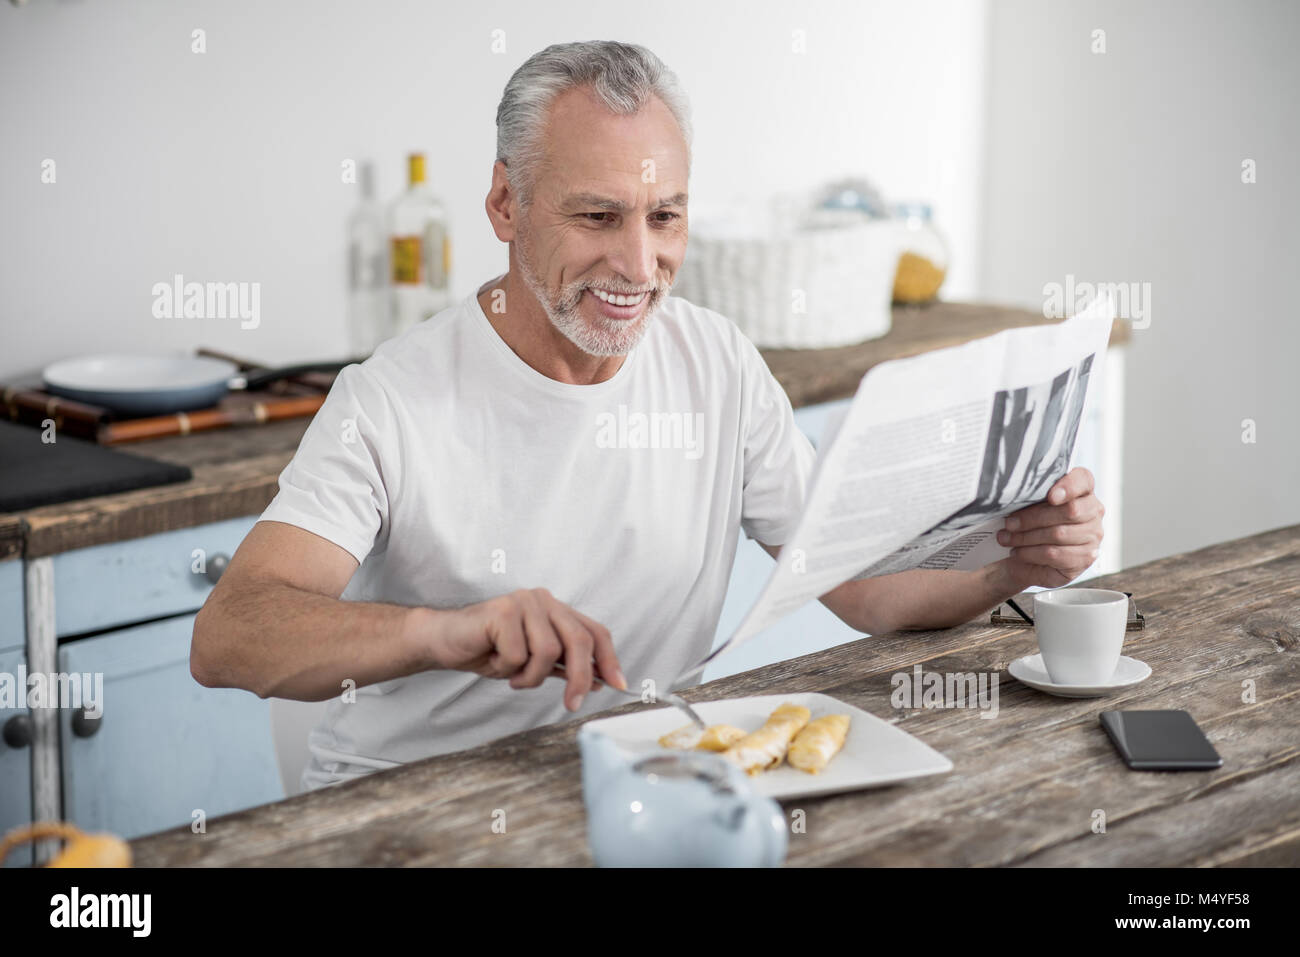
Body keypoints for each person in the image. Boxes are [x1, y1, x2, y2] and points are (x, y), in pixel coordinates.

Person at [190, 40, 1105, 791]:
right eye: (597, 216)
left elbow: (865, 588)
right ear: (506, 203)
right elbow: (229, 635)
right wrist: (445, 631)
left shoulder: (717, 363)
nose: (638, 264)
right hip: (417, 803)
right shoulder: (390, 398)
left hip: (644, 781)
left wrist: (1010, 562)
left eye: (664, 216)